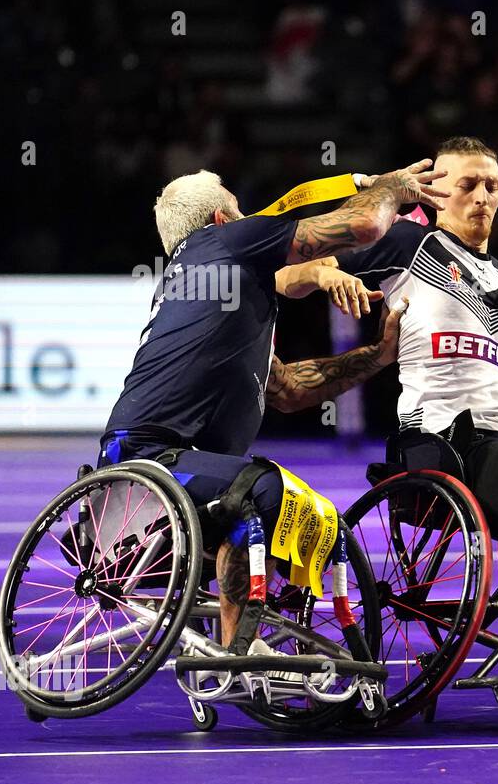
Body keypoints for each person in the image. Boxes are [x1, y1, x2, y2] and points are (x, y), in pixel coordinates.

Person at [101, 160, 449, 647]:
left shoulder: (211, 283)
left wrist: (377, 356)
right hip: (147, 463)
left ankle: (244, 643)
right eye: (240, 209)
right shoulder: (224, 243)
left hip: (173, 466)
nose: (250, 218)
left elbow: (288, 390)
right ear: (224, 220)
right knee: (260, 488)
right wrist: (393, 187)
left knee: (288, 501)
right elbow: (365, 225)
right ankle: (236, 649)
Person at [315, 136, 498, 662]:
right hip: (436, 447)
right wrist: (321, 270)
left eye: (492, 186)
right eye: (468, 185)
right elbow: (294, 257)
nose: (482, 196)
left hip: (492, 444)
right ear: (435, 194)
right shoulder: (411, 244)